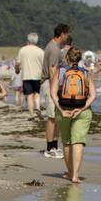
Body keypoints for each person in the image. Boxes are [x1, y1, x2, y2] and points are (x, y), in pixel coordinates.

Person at [54, 47, 96, 184]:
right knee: (78, 142)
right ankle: (75, 176)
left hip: (63, 110)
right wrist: (82, 108)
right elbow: (93, 95)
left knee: (66, 142)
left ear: (67, 58)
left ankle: (70, 172)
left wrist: (61, 109)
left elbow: (53, 93)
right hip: (82, 111)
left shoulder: (60, 72)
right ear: (79, 59)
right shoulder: (86, 73)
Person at [43, 24, 70, 158]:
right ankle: (49, 148)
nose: (68, 36)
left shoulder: (56, 47)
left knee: (56, 117)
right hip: (49, 84)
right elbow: (52, 69)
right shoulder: (53, 48)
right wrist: (57, 89)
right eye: (67, 34)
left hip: (52, 83)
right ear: (62, 34)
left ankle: (54, 145)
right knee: (52, 118)